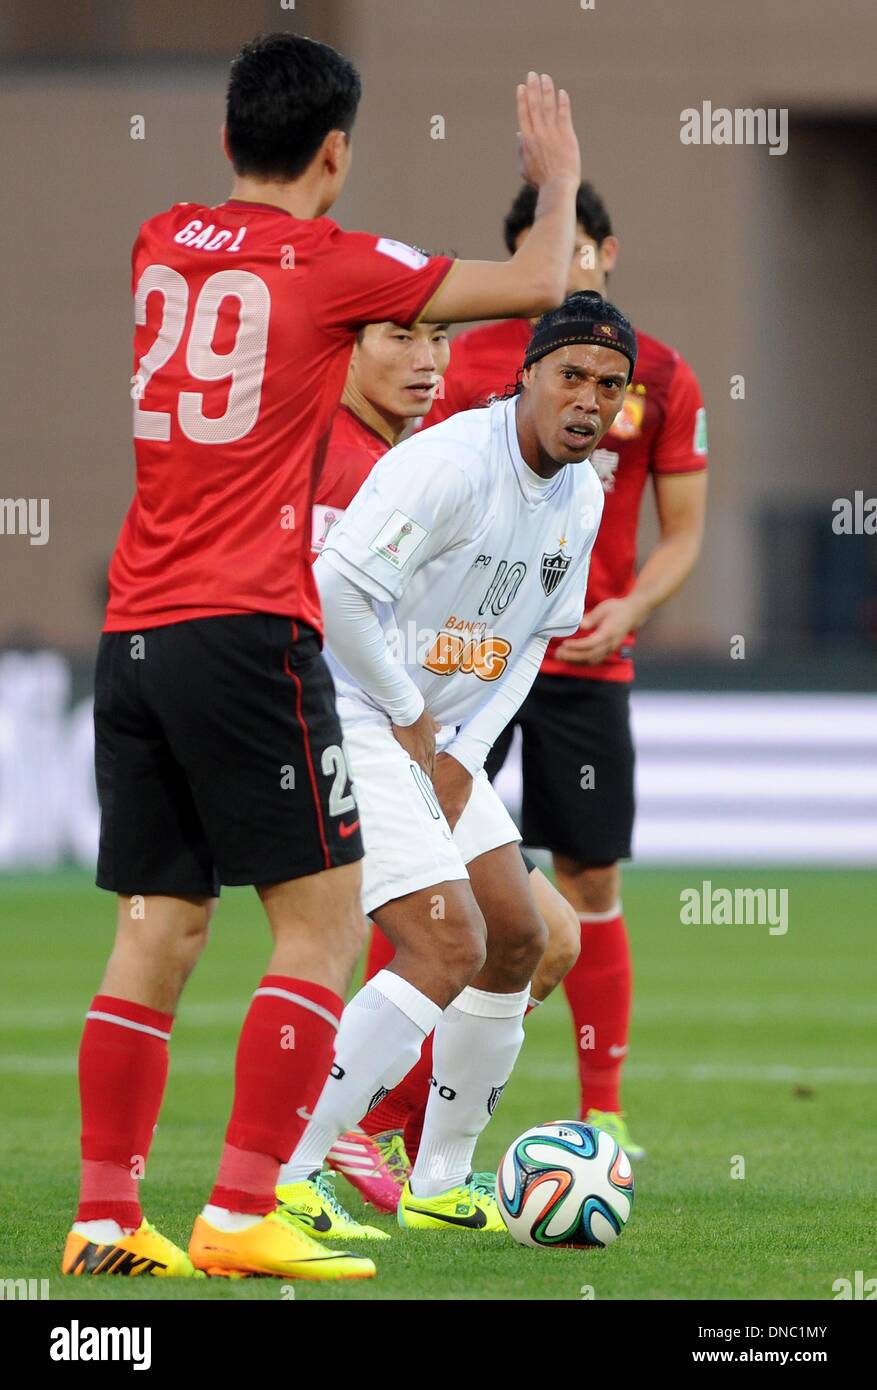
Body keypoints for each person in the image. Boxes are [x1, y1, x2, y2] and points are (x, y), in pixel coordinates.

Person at [63, 33, 585, 1281]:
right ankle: (247, 1202)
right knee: (324, 928)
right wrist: (556, 179)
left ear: (229, 136)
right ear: (336, 150)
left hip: (134, 631)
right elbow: (532, 282)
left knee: (154, 936)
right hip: (249, 630)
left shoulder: (156, 237)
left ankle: (101, 1220)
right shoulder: (331, 262)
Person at [275, 291, 633, 1237]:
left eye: (609, 385)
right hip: (355, 714)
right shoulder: (447, 466)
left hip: (433, 742)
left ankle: (439, 1179)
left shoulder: (584, 495)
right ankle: (289, 1168)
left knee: (525, 937)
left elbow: (528, 646)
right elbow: (337, 591)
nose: (588, 401)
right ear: (526, 375)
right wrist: (406, 718)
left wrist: (462, 754)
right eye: (571, 376)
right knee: (447, 942)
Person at [403, 182, 709, 1160]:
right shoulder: (464, 362)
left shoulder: (659, 376)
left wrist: (633, 603)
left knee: (588, 875)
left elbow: (684, 533)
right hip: (470, 661)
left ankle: (602, 1109)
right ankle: (392, 1113)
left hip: (586, 662)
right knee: (425, 874)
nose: (564, 267)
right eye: (542, 249)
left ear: (607, 253)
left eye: (576, 248)